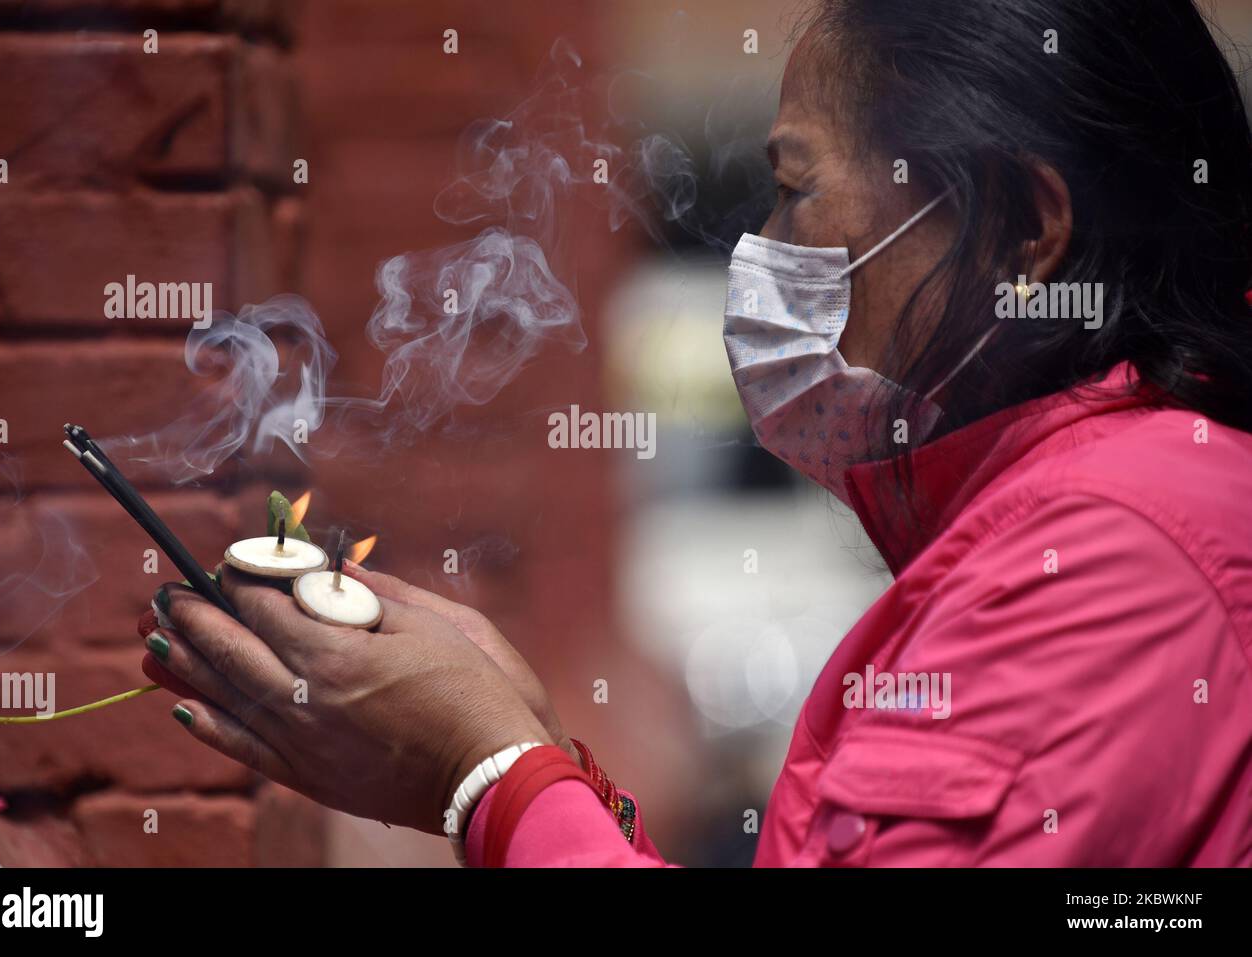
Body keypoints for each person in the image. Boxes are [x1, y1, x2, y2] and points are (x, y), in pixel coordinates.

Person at [142, 0, 1252, 866]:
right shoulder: (1087, 515)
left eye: (793, 191)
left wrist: (492, 775)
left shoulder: (1109, 553)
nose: (758, 255)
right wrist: (541, 766)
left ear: (1023, 229)